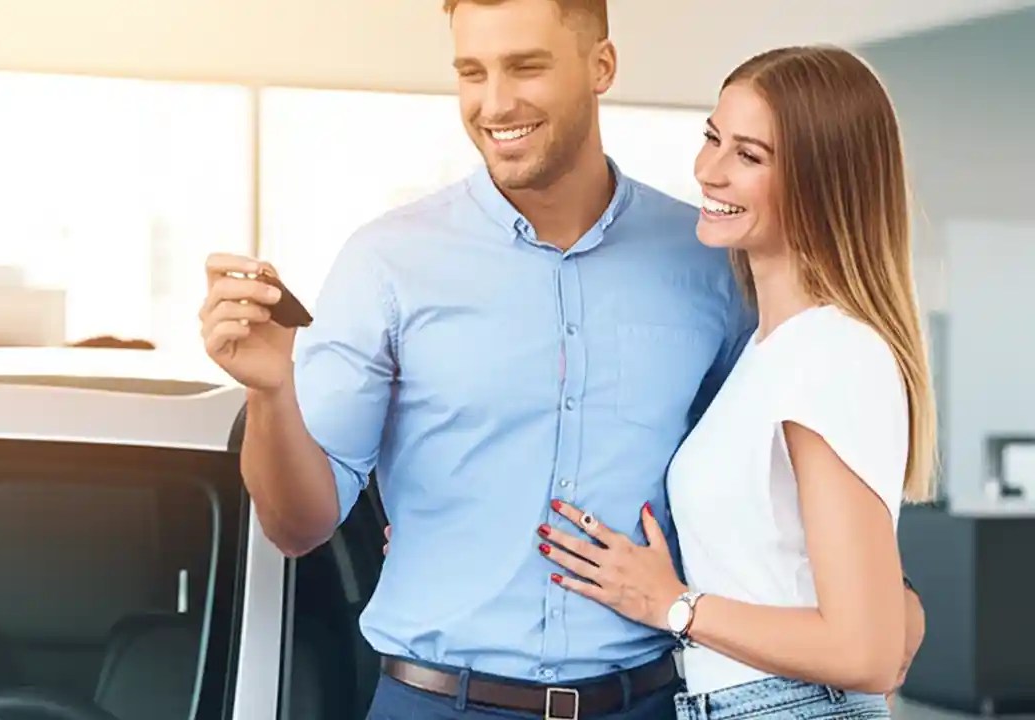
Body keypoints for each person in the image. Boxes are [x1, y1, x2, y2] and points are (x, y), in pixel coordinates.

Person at [198, 0, 925, 717]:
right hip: (438, 701)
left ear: (601, 65)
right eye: (471, 71)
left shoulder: (710, 264)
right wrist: (272, 393)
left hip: (650, 701)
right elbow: (297, 526)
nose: (494, 101)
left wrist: (882, 612)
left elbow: (771, 492)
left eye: (525, 67)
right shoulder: (388, 262)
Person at [534, 46, 934, 719]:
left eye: (748, 156)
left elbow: (865, 649)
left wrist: (673, 604)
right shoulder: (769, 349)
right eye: (713, 138)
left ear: (821, 181)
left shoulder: (832, 353)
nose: (707, 171)